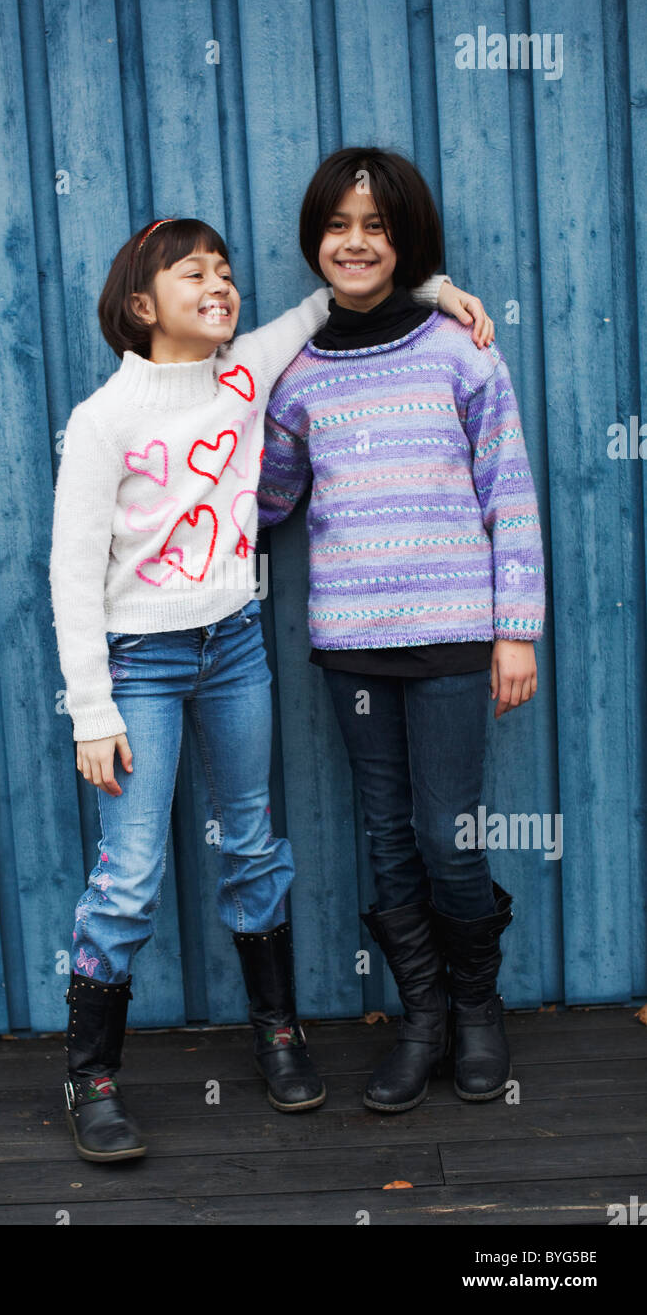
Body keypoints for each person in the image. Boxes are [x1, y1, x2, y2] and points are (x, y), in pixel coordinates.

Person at [49, 213, 490, 1160]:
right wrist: (91, 706)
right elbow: (72, 571)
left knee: (251, 841)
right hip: (143, 667)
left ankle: (278, 1032)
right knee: (130, 875)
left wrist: (430, 292)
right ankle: (90, 1077)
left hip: (235, 647)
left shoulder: (246, 372)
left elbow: (330, 302)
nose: (219, 285)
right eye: (192, 275)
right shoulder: (104, 420)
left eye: (224, 271)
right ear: (141, 305)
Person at [257, 147, 545, 1113]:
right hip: (353, 645)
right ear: (315, 242)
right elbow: (271, 501)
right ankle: (422, 1020)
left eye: (376, 226)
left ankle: (478, 1008)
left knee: (448, 836)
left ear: (406, 241)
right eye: (338, 225)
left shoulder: (462, 349)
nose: (355, 242)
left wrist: (518, 630)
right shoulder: (295, 375)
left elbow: (510, 491)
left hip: (459, 637)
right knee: (386, 839)